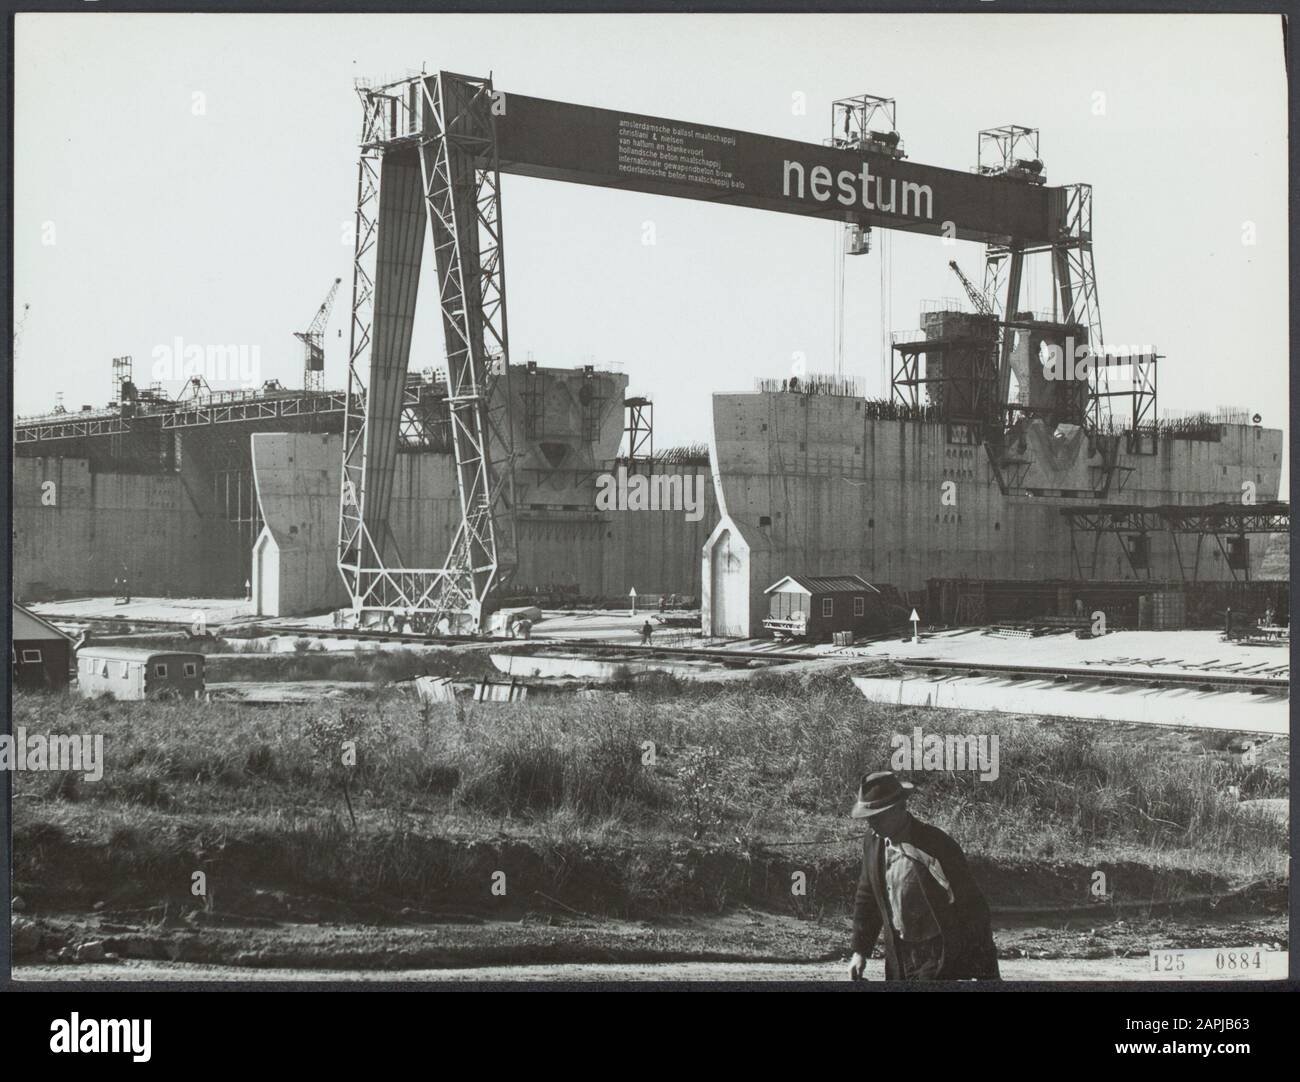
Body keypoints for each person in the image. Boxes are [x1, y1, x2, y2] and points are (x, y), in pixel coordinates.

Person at [846, 771, 999, 982]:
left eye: (878, 817)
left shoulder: (937, 845)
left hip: (937, 954)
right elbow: (867, 897)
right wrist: (860, 951)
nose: (871, 824)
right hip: (899, 956)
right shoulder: (873, 843)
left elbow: (972, 906)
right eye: (868, 818)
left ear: (900, 808)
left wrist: (983, 969)